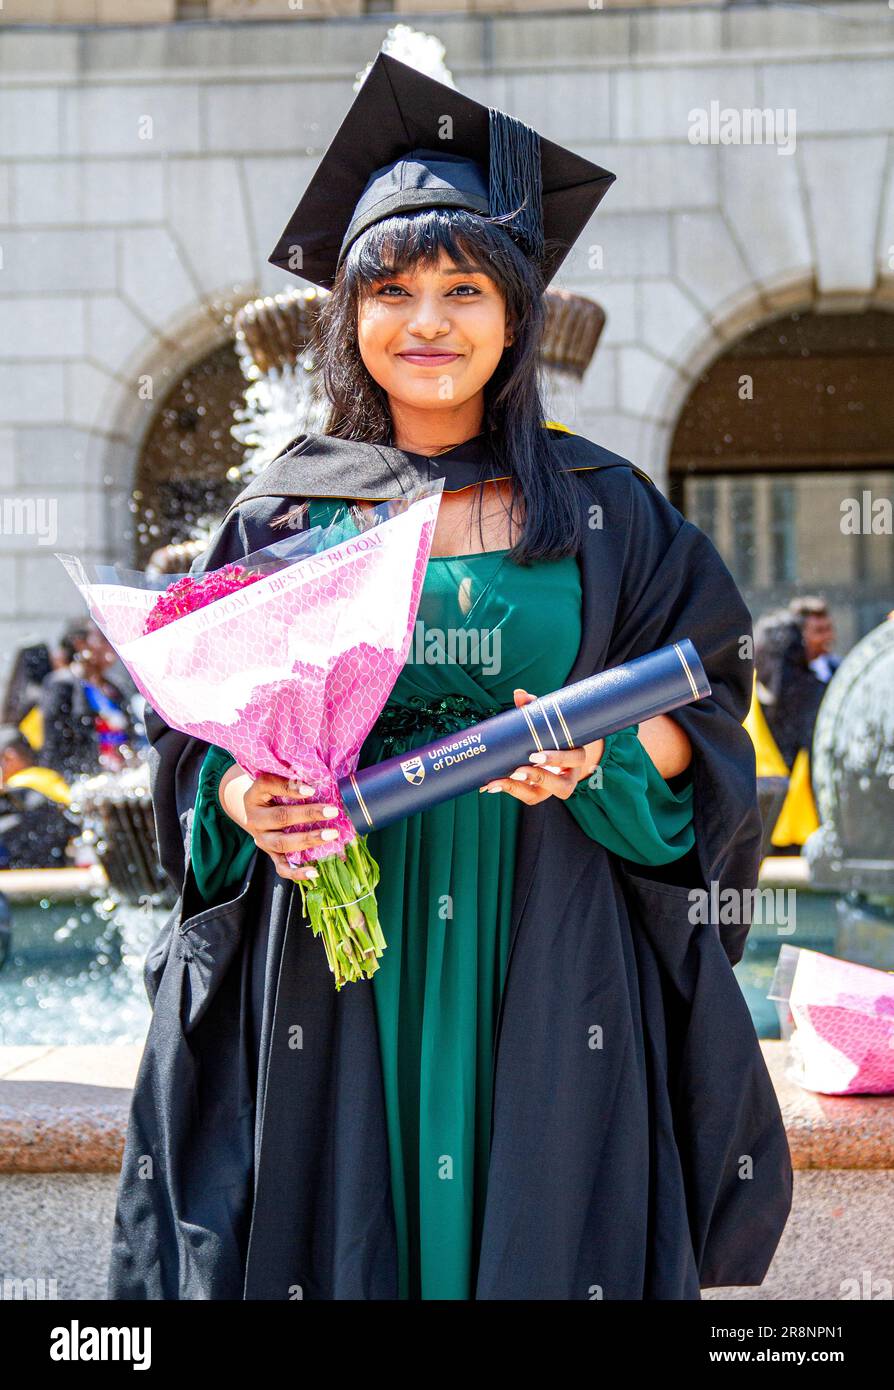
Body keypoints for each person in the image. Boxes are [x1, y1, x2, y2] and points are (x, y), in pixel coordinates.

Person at [107, 52, 792, 1301]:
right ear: (349, 314)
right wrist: (237, 799)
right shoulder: (283, 513)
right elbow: (193, 744)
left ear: (518, 312)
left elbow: (713, 708)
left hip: (552, 939)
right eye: (394, 288)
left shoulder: (606, 509)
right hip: (336, 953)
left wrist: (612, 752)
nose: (428, 321)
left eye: (466, 287)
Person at [37, 620, 134, 783]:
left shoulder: (115, 689)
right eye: (103, 639)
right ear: (81, 644)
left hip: (116, 780)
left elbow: (130, 735)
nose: (111, 646)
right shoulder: (62, 685)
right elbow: (54, 745)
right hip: (80, 784)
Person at [0, 726, 76, 870]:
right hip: (54, 862)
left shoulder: (20, 785)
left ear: (9, 757)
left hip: (24, 866)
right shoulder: (48, 777)